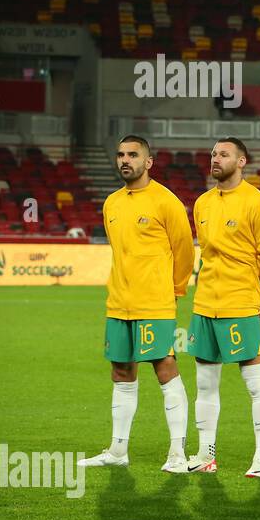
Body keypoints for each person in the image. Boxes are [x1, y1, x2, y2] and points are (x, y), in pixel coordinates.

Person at [79, 135, 194, 472]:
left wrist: (172, 291)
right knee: (121, 371)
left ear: (149, 162)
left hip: (155, 303)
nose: (124, 160)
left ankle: (177, 453)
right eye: (120, 154)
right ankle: (117, 450)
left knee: (165, 369)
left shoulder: (165, 201)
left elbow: (184, 251)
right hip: (118, 303)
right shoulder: (112, 203)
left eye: (133, 154)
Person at [184, 137, 260, 477]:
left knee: (254, 382)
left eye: (224, 154)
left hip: (240, 303)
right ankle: (206, 455)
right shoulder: (202, 203)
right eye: (213, 153)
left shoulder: (256, 203)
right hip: (205, 303)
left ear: (241, 161)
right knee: (205, 385)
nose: (215, 159)